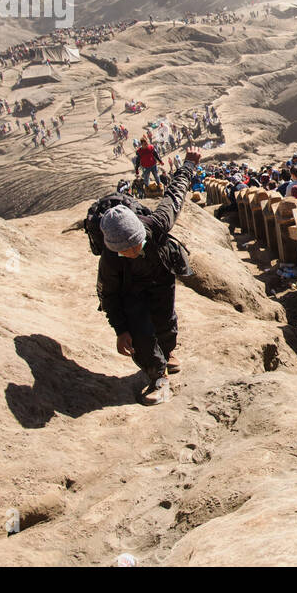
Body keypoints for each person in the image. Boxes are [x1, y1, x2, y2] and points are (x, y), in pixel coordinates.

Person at [97, 148, 202, 404]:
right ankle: (158, 378)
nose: (133, 252)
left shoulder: (157, 224)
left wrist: (189, 164)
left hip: (161, 274)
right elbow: (108, 294)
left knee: (165, 319)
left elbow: (175, 194)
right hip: (130, 289)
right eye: (126, 251)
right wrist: (120, 330)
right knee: (141, 333)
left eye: (137, 245)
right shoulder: (110, 261)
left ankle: (168, 351)